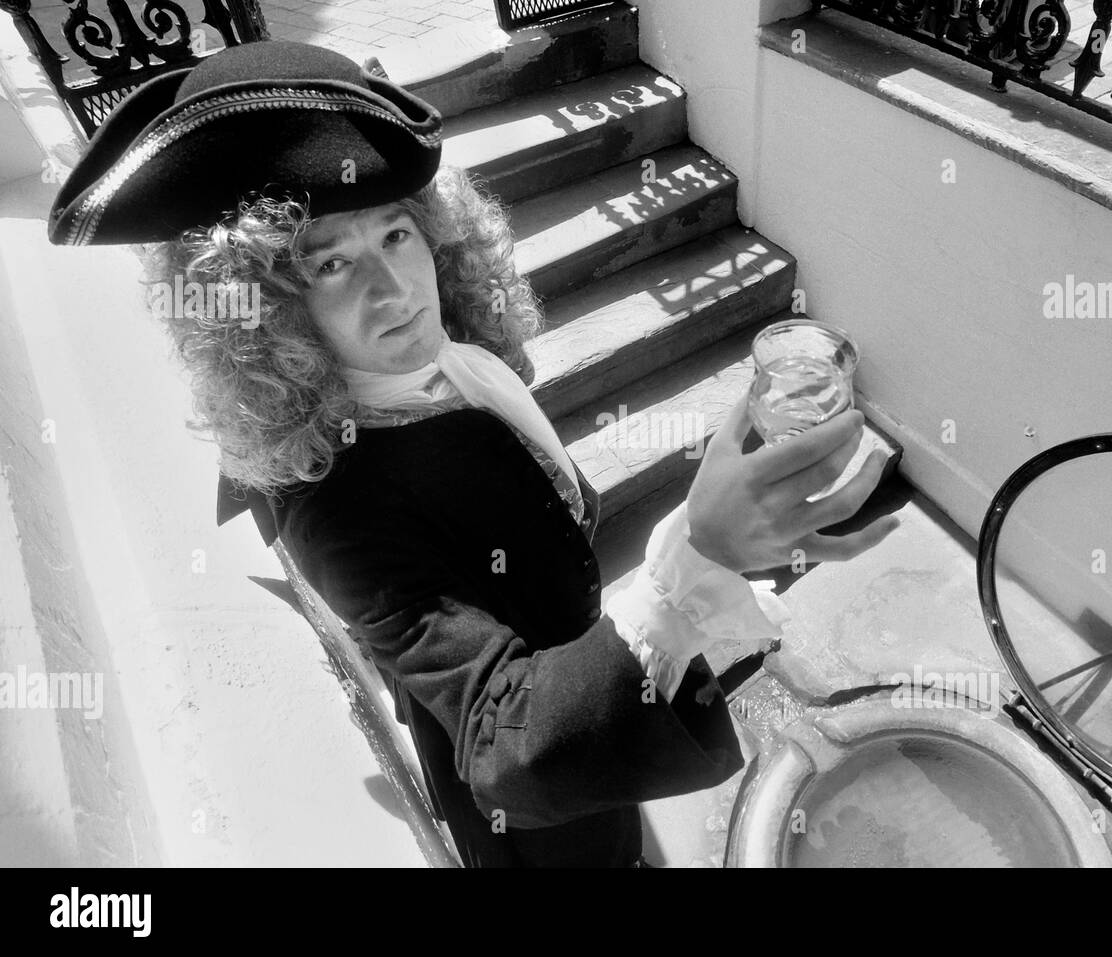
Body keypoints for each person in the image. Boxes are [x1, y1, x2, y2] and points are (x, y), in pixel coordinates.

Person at [48, 40, 899, 867]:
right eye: (330, 264)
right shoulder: (336, 506)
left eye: (395, 235)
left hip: (585, 679)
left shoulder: (459, 353)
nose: (394, 291)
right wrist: (699, 555)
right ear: (264, 311)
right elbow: (506, 752)